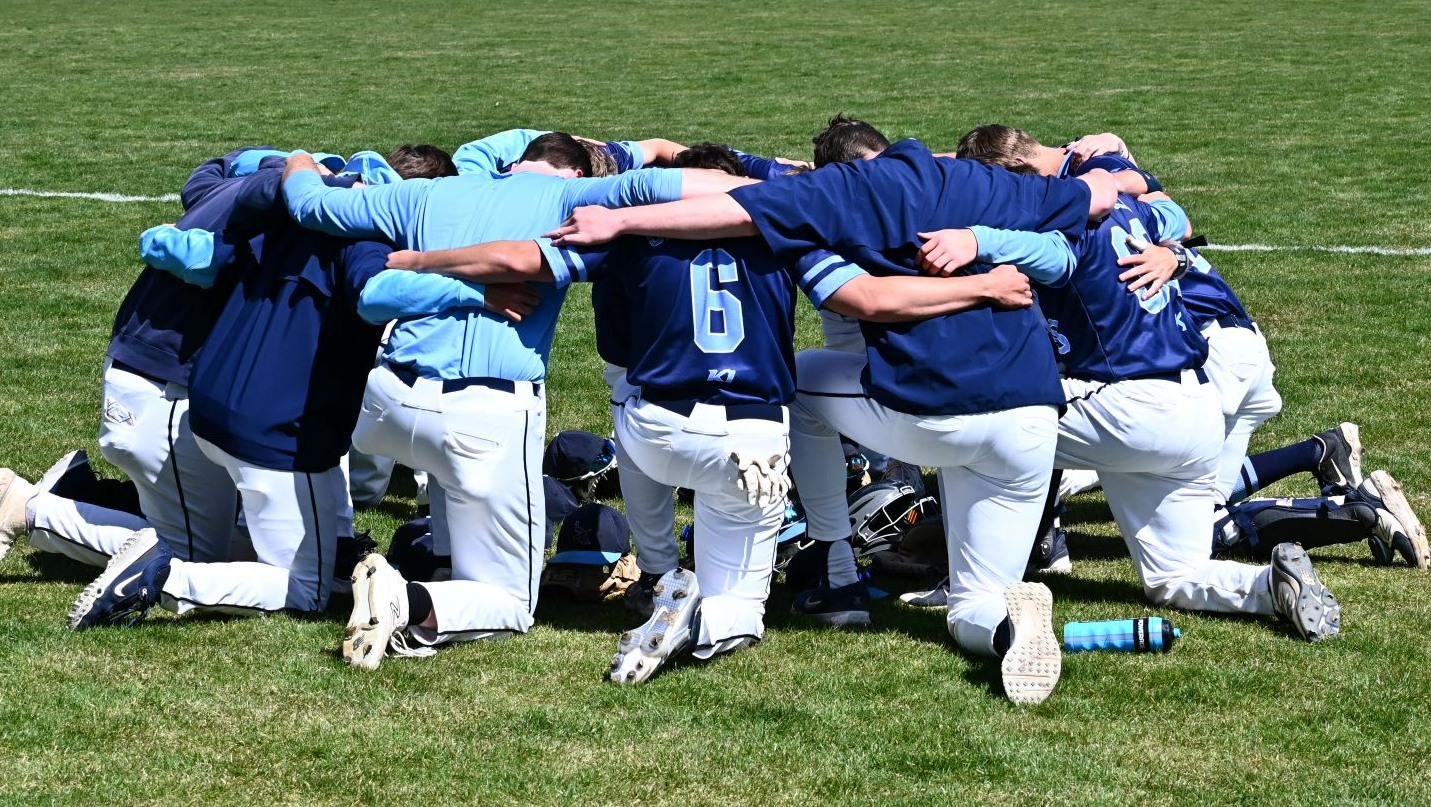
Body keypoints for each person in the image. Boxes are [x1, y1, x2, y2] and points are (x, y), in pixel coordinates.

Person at [371, 156, 1041, 686]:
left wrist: (416, 260)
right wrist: (983, 285)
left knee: (626, 400)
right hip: (749, 441)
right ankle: (708, 614)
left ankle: (658, 574)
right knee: (742, 609)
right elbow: (867, 296)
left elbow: (516, 259)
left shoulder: (631, 229)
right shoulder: (782, 230)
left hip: (655, 429)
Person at [279, 133, 752, 668]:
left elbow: (308, 203)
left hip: (386, 405)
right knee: (511, 605)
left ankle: (442, 565)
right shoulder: (576, 195)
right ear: (576, 173)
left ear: (516, 163)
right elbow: (705, 186)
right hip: (481, 412)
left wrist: (298, 157)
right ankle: (402, 599)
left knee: (449, 475)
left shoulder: (425, 192)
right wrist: (789, 182)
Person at [958, 124, 1426, 570]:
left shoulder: (1083, 176)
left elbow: (1169, 217)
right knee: (1189, 495)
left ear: (1018, 169)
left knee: (1044, 414)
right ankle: (1319, 454)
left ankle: (1040, 538)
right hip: (1232, 346)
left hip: (1206, 351)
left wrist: (1170, 251)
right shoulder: (1083, 166)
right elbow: (1161, 206)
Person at [918, 152, 1342, 642]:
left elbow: (1049, 253)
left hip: (1135, 406)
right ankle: (1271, 585)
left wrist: (974, 239)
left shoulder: (1054, 220)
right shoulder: (1121, 202)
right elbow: (1176, 217)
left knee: (975, 425)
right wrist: (1176, 256)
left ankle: (974, 588)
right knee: (1174, 576)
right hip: (1197, 407)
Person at [65, 149, 490, 627]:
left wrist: (293, 168)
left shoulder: (292, 206)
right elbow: (375, 295)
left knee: (250, 549)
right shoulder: (370, 229)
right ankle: (159, 577)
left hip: (210, 403)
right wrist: (475, 289)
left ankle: (321, 547)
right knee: (298, 587)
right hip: (273, 426)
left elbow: (212, 217)